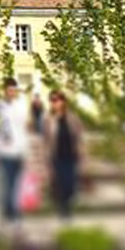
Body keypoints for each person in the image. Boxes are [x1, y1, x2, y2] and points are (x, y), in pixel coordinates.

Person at [0, 77, 31, 226]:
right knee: (7, 183)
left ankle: (8, 212)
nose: (12, 93)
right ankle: (12, 214)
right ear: (4, 91)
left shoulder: (21, 107)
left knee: (16, 183)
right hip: (3, 151)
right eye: (9, 90)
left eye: (14, 90)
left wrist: (26, 152)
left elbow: (24, 130)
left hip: (19, 150)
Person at [45, 91, 84, 221]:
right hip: (57, 156)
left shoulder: (72, 118)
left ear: (64, 102)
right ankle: (63, 209)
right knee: (61, 183)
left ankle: (67, 205)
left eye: (58, 100)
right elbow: (46, 139)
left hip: (71, 155)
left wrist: (81, 151)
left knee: (71, 184)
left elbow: (79, 136)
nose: (55, 103)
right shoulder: (49, 119)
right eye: (53, 100)